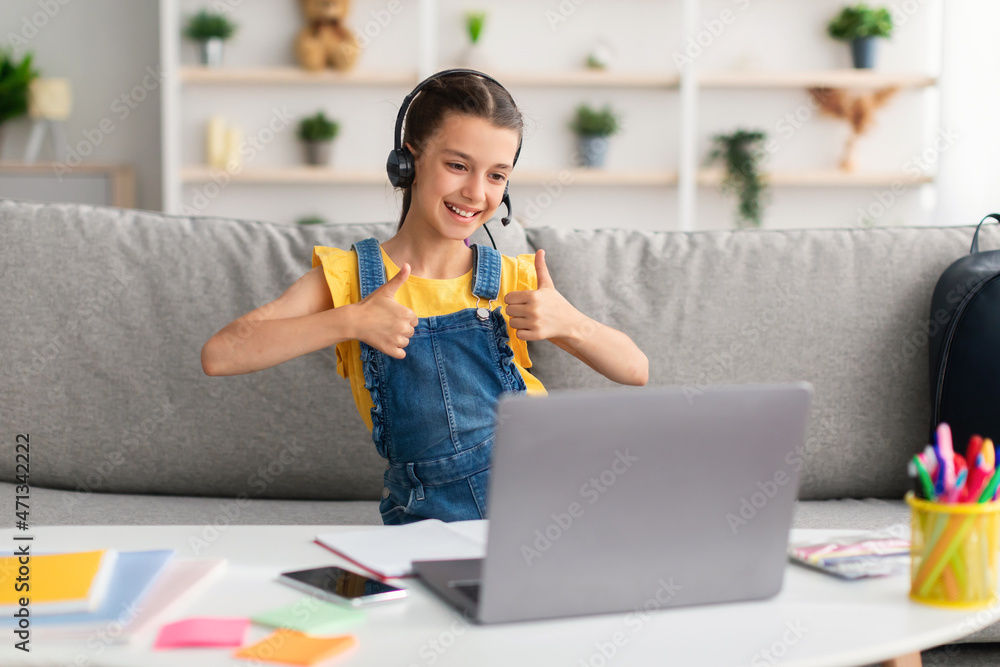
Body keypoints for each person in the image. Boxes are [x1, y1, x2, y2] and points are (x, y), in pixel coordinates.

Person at [201, 69, 648, 525]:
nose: (476, 193)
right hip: (428, 518)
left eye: (497, 175)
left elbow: (635, 369)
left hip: (544, 496)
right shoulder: (349, 277)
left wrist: (569, 322)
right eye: (457, 165)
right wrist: (350, 321)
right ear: (408, 162)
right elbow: (221, 355)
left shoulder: (514, 277)